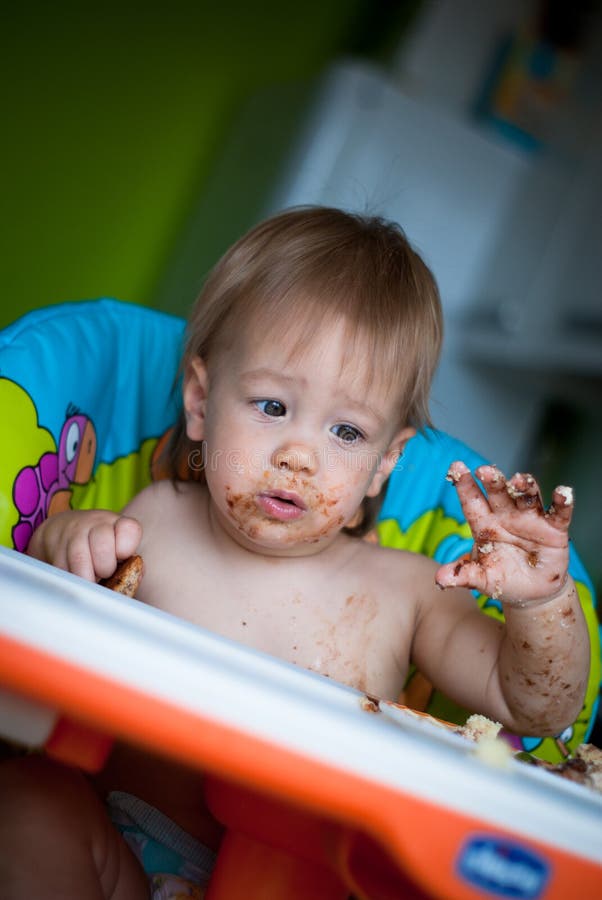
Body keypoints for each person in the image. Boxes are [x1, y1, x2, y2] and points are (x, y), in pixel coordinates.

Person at [0, 206, 590, 899]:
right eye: (273, 407)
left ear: (385, 462)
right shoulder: (152, 523)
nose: (300, 455)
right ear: (200, 401)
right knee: (26, 806)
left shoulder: (409, 591)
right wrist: (62, 543)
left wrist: (542, 602)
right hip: (117, 847)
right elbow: (47, 649)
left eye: (345, 430)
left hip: (301, 881)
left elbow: (535, 707)